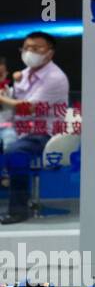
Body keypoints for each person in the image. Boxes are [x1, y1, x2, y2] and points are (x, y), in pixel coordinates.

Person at [0, 32, 70, 224]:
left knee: (16, 151)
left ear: (49, 53)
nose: (30, 52)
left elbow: (27, 106)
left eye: (36, 48)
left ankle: (18, 210)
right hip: (20, 128)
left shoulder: (55, 77)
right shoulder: (26, 73)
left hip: (43, 133)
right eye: (26, 48)